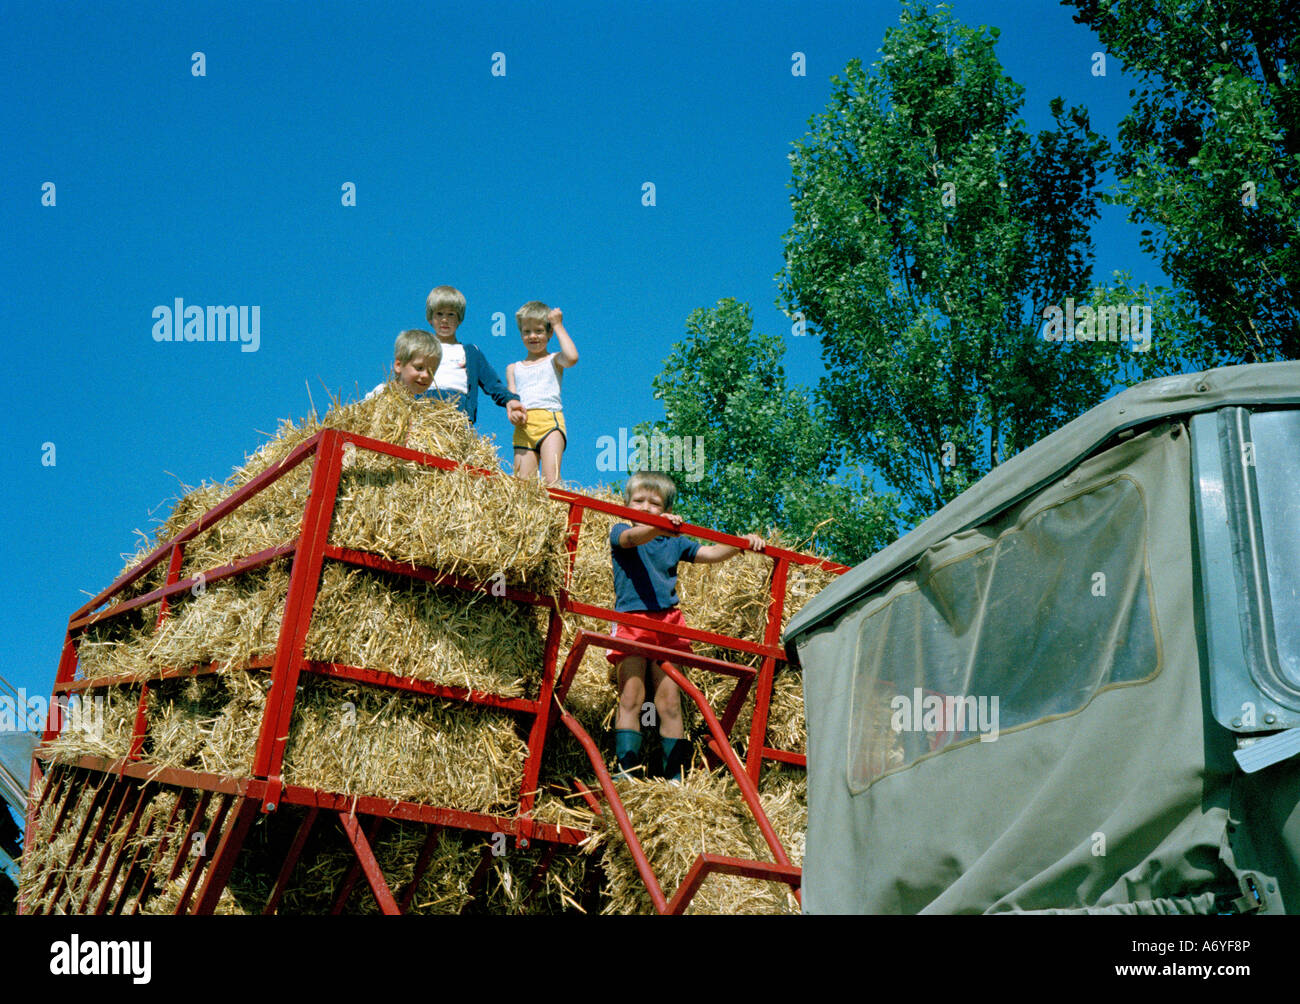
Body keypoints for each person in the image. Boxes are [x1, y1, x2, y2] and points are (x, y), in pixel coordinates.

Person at [607, 471, 766, 782]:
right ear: (625, 504)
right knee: (632, 697)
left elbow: (709, 553)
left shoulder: (674, 542)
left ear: (667, 507)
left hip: (668, 623)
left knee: (669, 703)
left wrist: (741, 544)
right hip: (632, 620)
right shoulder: (620, 531)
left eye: (655, 503)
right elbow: (633, 538)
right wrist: (657, 524)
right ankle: (626, 770)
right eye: (638, 501)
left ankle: (674, 777)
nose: (646, 507)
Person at [423, 285, 527, 427]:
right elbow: (405, 376)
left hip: (457, 413)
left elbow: (492, 383)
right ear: (430, 318)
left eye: (451, 314)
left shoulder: (470, 352)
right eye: (439, 314)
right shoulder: (421, 348)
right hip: (424, 408)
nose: (445, 320)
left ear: (459, 319)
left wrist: (510, 399)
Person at [506, 302, 578, 484]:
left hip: (549, 422)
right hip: (524, 426)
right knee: (523, 485)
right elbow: (511, 400)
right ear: (521, 334)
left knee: (551, 479)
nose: (532, 336)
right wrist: (513, 413)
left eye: (538, 331)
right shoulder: (513, 368)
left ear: (549, 333)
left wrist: (558, 324)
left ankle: (557, 511)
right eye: (526, 331)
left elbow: (572, 357)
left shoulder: (554, 360)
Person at [365, 329, 443, 399]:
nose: (426, 375)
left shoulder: (422, 404)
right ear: (398, 366)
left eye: (431, 371)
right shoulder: (381, 393)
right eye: (419, 368)